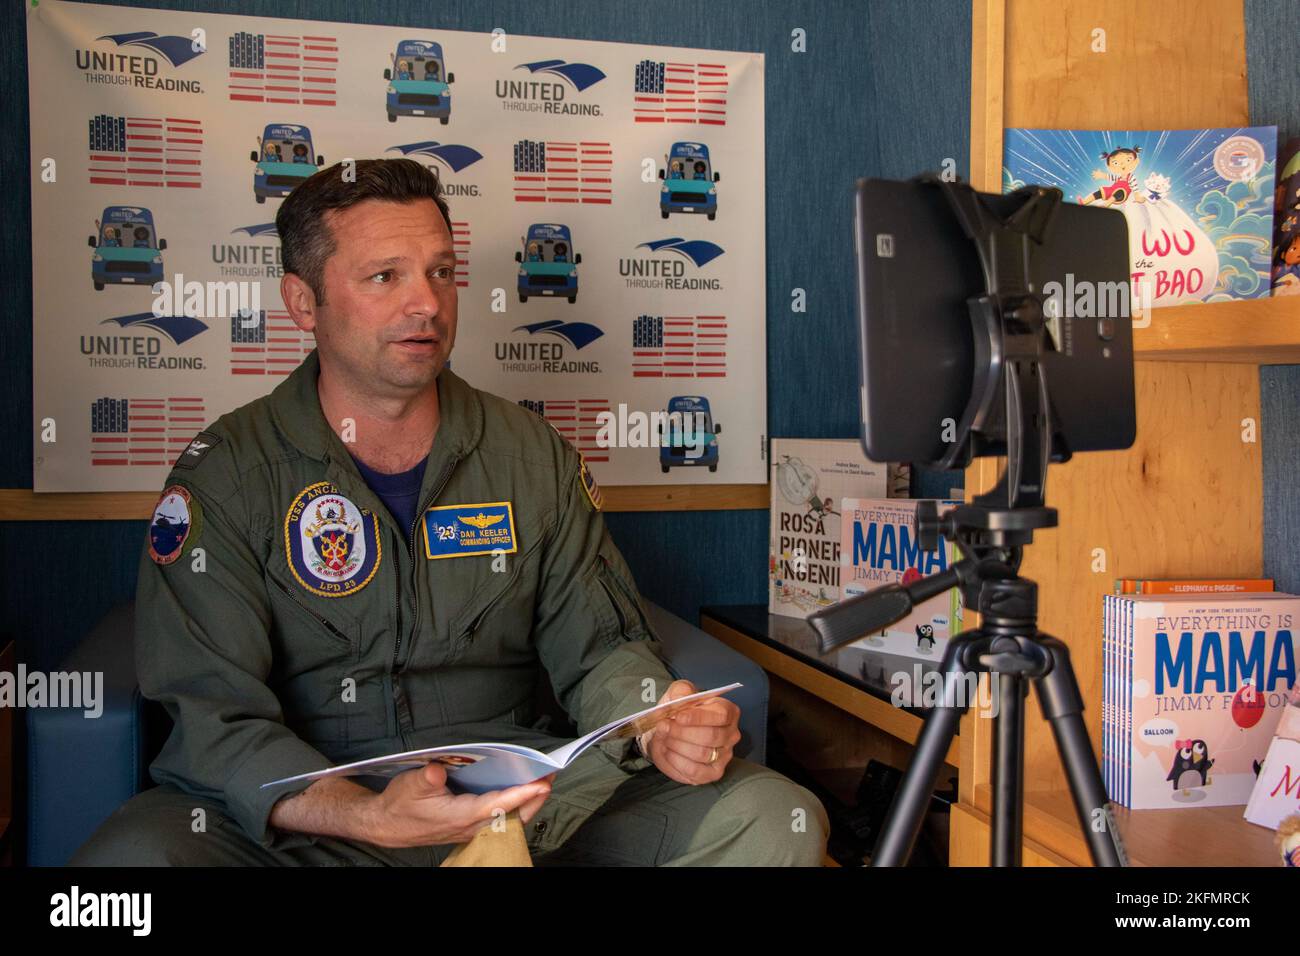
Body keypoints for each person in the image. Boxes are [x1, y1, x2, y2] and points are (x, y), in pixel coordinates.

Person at [72, 158, 828, 867]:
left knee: (769, 817)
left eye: (440, 272)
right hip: (317, 815)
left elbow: (600, 649)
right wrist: (363, 815)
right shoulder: (228, 474)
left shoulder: (532, 455)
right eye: (384, 276)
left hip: (523, 805)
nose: (426, 303)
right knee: (131, 863)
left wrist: (658, 715)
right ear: (304, 301)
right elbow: (214, 720)